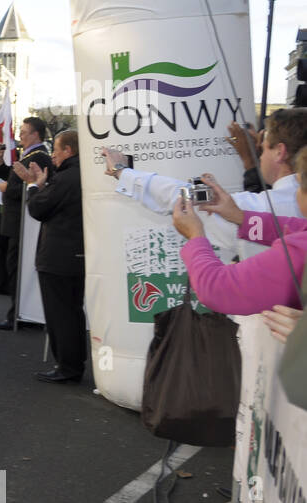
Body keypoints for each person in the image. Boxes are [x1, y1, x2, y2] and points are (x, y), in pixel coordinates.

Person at [104, 107, 307, 259]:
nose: (260, 157)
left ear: (280, 152)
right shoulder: (263, 207)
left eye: (264, 149)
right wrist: (249, 163)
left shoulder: (261, 208)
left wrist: (121, 172)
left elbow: (181, 197)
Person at [172, 149, 307, 316]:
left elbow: (216, 289)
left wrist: (195, 236)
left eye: (299, 185)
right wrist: (240, 216)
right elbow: (294, 227)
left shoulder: (298, 252)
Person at [17, 130, 85, 382]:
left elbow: (39, 207)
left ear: (68, 150)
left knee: (61, 315)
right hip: (77, 254)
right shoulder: (80, 174)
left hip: (59, 256)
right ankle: (73, 363)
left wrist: (34, 186)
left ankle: (68, 367)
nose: (53, 155)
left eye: (56, 149)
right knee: (73, 312)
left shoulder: (67, 177)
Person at [0, 116, 53, 330]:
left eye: (24, 132)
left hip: (23, 222)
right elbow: (16, 178)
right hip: (17, 221)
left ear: (35, 134)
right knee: (14, 266)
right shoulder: (30, 155)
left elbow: (35, 186)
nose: (20, 136)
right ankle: (19, 311)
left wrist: (6, 189)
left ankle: (19, 313)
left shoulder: (40, 157)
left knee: (18, 267)